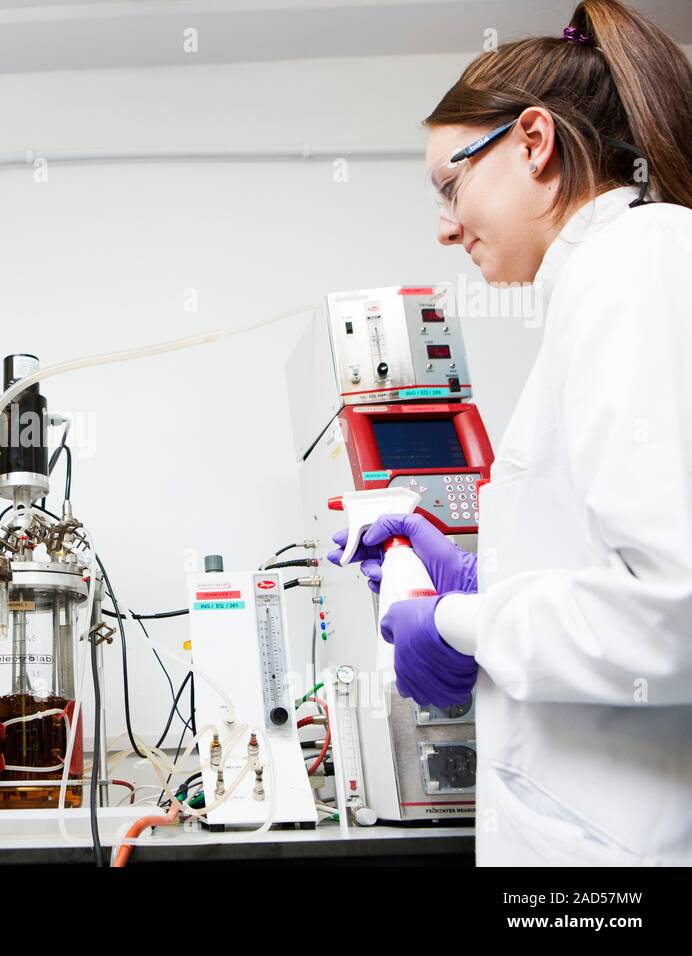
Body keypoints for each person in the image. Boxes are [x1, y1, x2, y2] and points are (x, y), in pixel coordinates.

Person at [332, 0, 692, 866]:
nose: (446, 226)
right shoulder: (604, 281)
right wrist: (484, 578)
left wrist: (457, 620)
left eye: (449, 186)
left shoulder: (641, 263)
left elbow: (675, 610)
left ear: (534, 142)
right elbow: (621, 562)